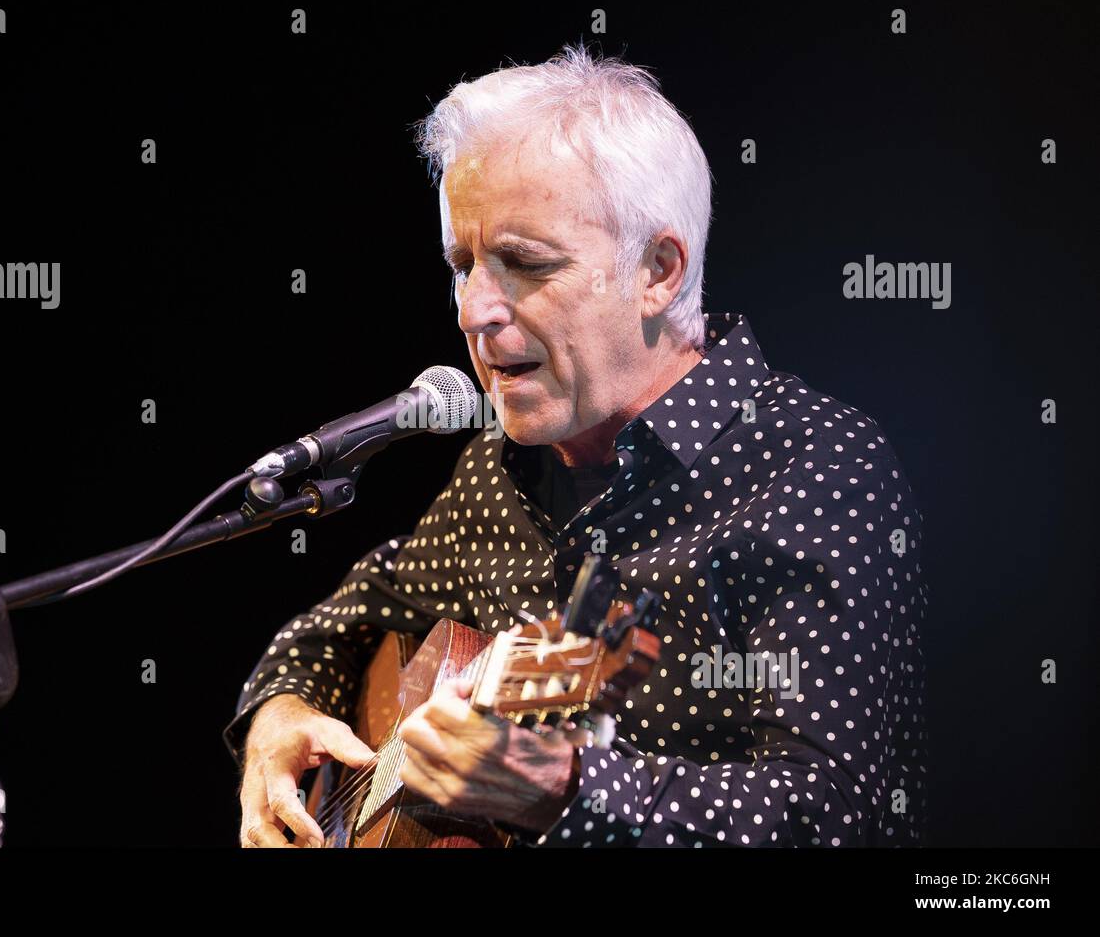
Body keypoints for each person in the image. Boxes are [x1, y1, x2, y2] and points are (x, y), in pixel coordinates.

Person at [225, 44, 927, 847]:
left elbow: (838, 815)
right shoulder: (496, 469)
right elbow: (351, 612)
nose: (474, 312)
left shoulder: (818, 470)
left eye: (523, 264)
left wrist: (566, 789)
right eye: (463, 264)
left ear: (658, 270)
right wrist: (277, 713)